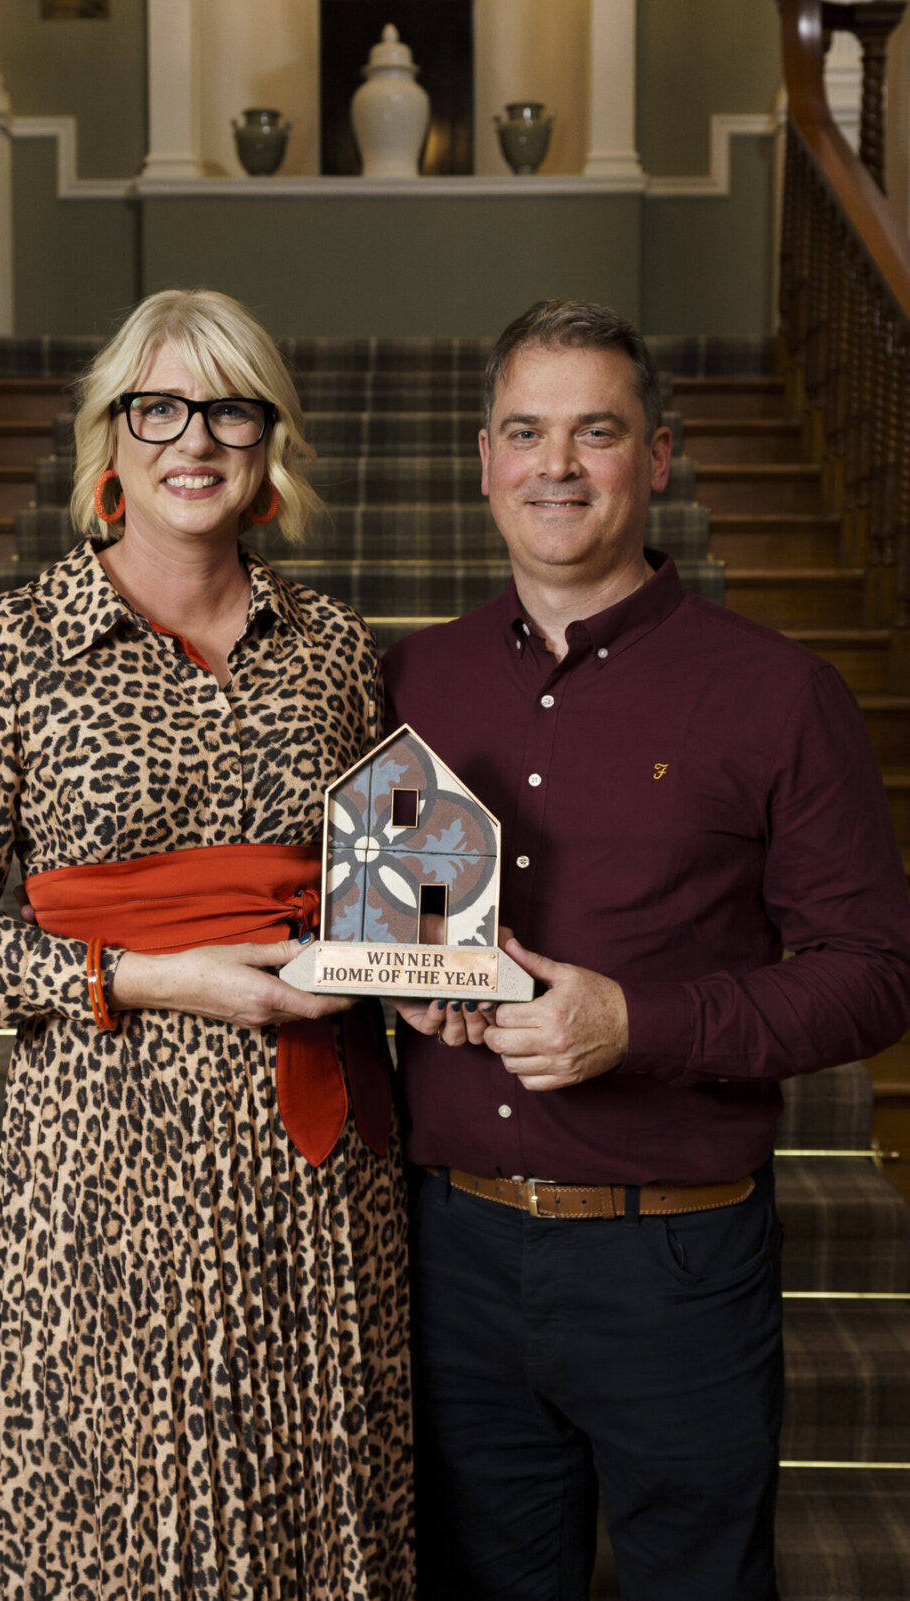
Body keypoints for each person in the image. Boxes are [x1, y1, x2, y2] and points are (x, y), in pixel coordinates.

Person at [0, 288, 413, 1600]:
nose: (196, 439)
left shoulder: (336, 647)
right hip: (106, 1160)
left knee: (313, 1487)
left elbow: (392, 890)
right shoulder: (15, 643)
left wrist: (425, 963)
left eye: (230, 408)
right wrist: (146, 975)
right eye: (159, 407)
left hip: (314, 1166)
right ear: (109, 437)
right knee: (130, 1514)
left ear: (268, 439)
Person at [381, 298, 910, 1601]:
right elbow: (385, 903)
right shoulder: (412, 682)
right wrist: (405, 987)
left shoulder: (782, 695)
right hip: (450, 1250)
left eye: (597, 432)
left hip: (672, 1262)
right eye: (526, 432)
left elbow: (874, 973)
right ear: (485, 461)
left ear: (658, 457)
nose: (556, 465)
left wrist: (639, 1024)